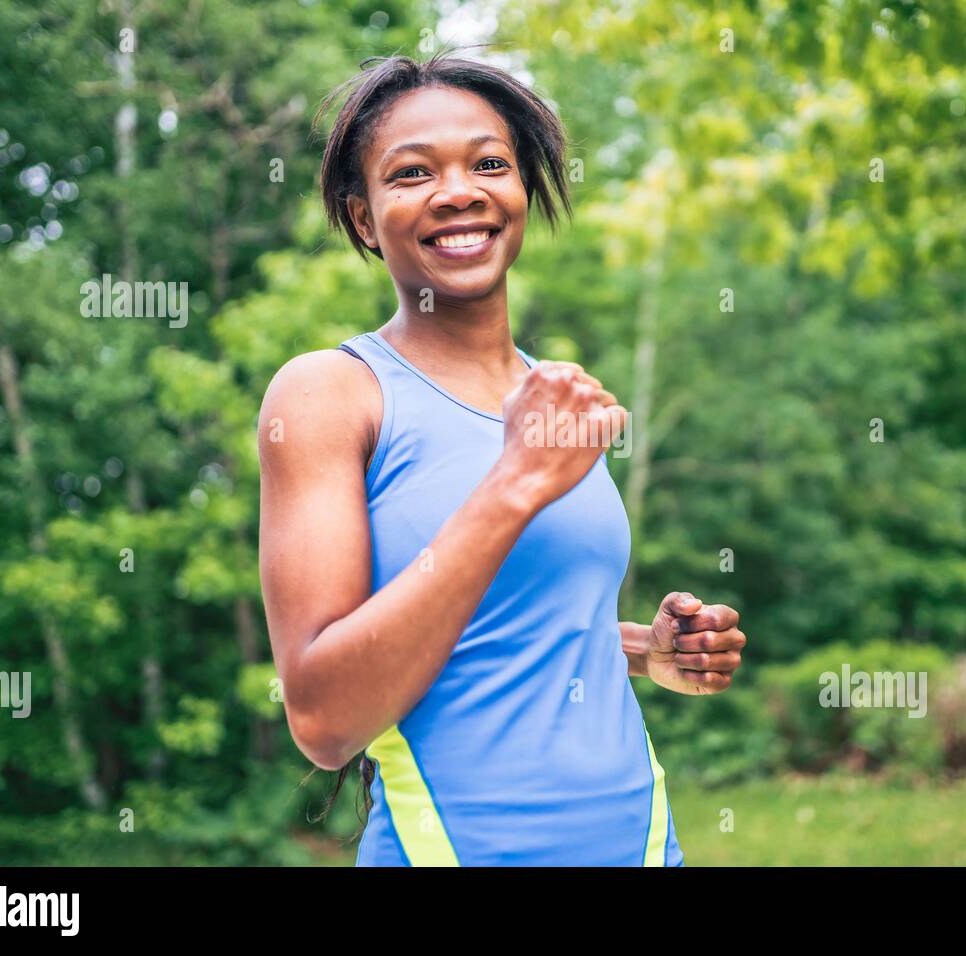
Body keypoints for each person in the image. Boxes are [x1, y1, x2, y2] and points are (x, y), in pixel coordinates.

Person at [257, 50, 746, 866]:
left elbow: (497, 629)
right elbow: (324, 719)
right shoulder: (330, 394)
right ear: (362, 218)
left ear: (522, 191)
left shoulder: (554, 398)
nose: (459, 191)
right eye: (411, 174)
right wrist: (515, 481)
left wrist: (637, 650)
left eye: (490, 163)